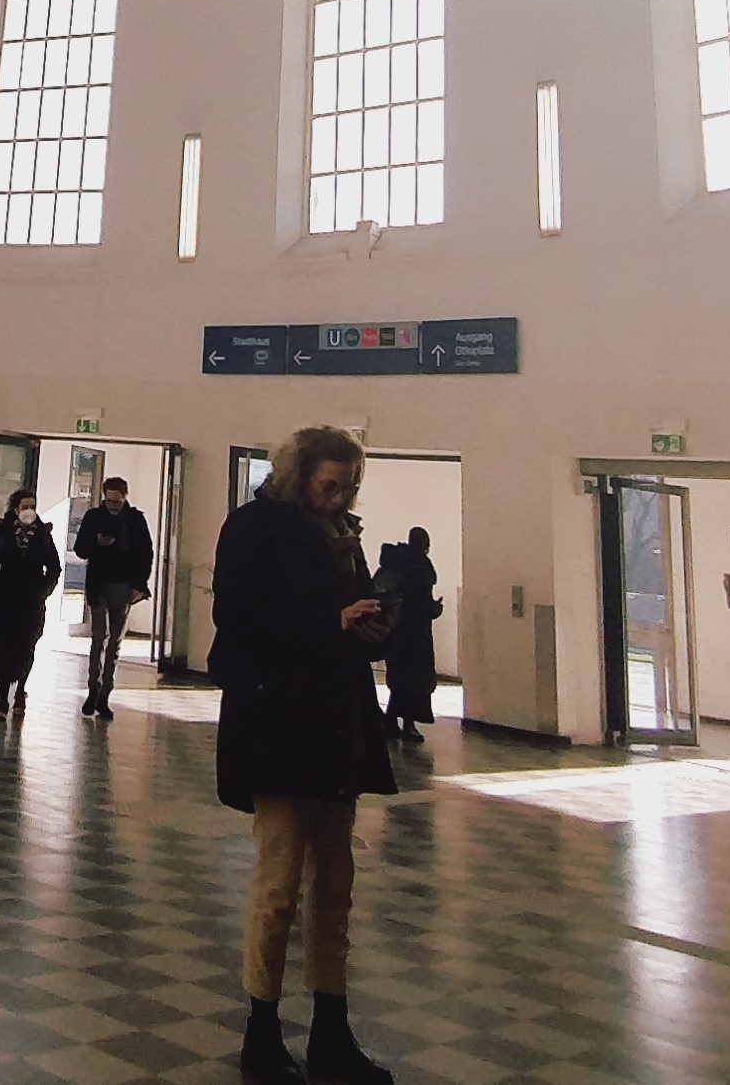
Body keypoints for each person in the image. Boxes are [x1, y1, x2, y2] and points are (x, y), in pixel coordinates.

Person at [214, 425, 396, 1085]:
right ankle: (261, 1033)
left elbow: (350, 612)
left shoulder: (343, 532)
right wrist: (330, 623)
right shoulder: (253, 528)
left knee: (337, 889)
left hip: (336, 729)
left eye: (349, 487)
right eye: (329, 485)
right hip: (277, 729)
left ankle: (331, 1032)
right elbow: (236, 629)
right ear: (299, 475)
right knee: (279, 886)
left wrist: (375, 627)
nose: (339, 497)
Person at [72, 475, 155, 720]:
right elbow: (80, 549)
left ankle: (105, 695)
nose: (113, 506)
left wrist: (140, 585)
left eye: (117, 502)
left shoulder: (135, 520)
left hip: (124, 586)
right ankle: (93, 689)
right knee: (99, 638)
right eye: (109, 501)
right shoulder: (93, 517)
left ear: (125, 497)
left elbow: (145, 554)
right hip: (99, 585)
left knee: (114, 644)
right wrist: (96, 543)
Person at [0, 489, 62, 720]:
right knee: (3, 646)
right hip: (7, 599)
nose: (29, 511)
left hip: (32, 599)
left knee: (26, 646)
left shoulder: (44, 534)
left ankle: (20, 691)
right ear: (16, 509)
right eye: (25, 506)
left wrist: (43, 590)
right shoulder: (4, 532)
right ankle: (2, 700)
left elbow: (54, 567)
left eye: (32, 506)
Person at [374, 527, 443, 742]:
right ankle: (408, 724)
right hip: (415, 632)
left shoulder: (394, 563)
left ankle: (392, 720)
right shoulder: (419, 566)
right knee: (415, 678)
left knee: (399, 675)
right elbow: (420, 600)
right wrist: (433, 609)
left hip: (396, 629)